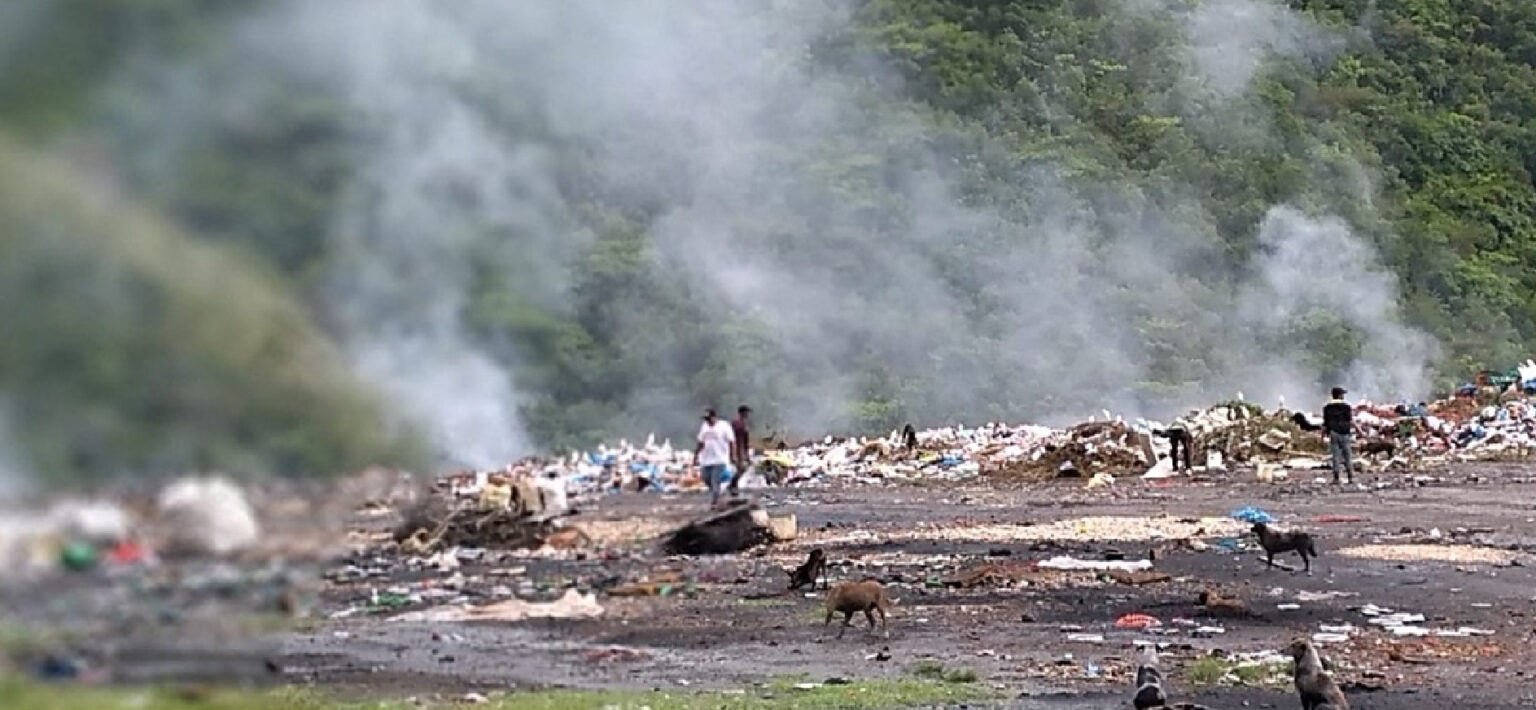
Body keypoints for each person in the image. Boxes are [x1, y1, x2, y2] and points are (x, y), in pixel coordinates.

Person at [694, 408, 735, 507]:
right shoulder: (704, 427)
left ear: (714, 417)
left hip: (720, 459)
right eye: (706, 419)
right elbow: (701, 442)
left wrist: (732, 455)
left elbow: (731, 442)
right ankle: (718, 494)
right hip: (706, 459)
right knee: (706, 478)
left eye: (709, 419)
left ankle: (715, 502)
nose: (708, 421)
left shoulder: (724, 426)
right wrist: (695, 456)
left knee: (715, 480)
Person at [1322, 386, 1354, 484]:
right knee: (1347, 455)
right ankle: (1350, 477)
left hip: (1333, 432)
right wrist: (1361, 431)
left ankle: (1336, 478)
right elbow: (1351, 421)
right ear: (1340, 395)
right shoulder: (1346, 407)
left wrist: (1322, 435)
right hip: (1345, 433)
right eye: (1342, 394)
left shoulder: (1327, 407)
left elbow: (1325, 423)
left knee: (1335, 456)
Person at [727, 405, 751, 495]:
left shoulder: (743, 423)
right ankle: (733, 485)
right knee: (741, 467)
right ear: (742, 412)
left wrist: (746, 453)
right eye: (746, 412)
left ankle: (734, 485)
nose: (747, 414)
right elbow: (732, 438)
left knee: (742, 468)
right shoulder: (736, 423)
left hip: (741, 449)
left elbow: (746, 439)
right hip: (737, 449)